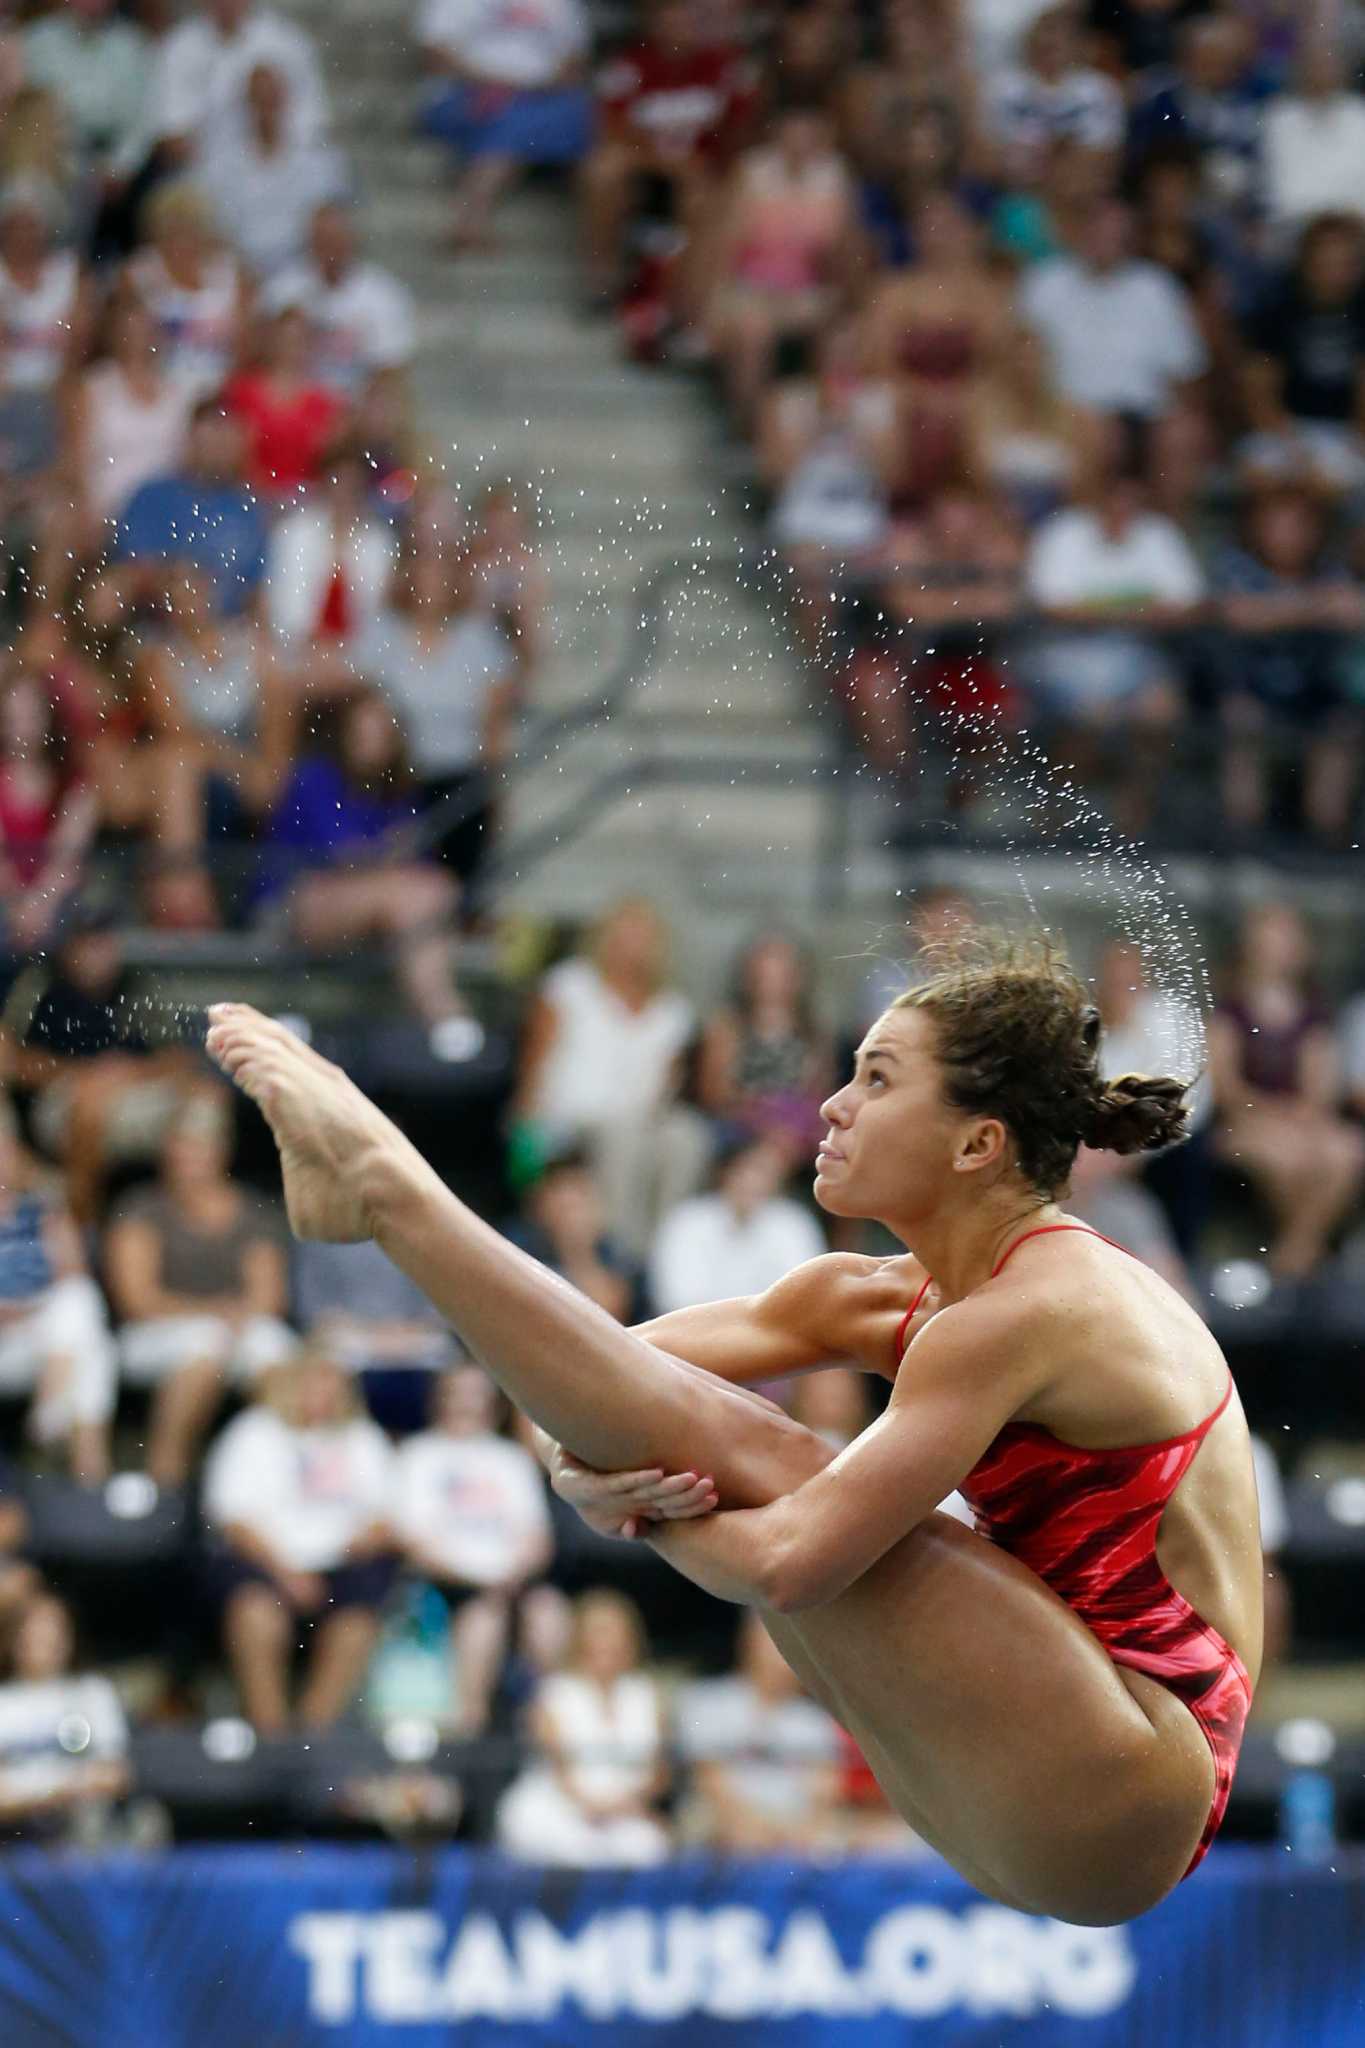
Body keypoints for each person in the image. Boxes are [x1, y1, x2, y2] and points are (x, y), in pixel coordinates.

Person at [207, 924, 1263, 1925]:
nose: (831, 1104)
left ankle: (390, 1191)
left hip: (1131, 1785)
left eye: (879, 1078)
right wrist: (578, 1468)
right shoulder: (872, 1295)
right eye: (850, 1070)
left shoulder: (1034, 1305)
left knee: (783, 1460)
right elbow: (595, 1371)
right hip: (1016, 1791)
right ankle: (380, 1198)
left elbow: (792, 1559)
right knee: (708, 1429)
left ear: (979, 1142)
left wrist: (643, 1509)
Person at [256, 689, 483, 1056]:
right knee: (418, 893)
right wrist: (391, 855)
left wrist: (392, 861)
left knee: (428, 892)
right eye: (362, 732)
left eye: (382, 734)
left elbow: (419, 867)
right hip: (291, 908)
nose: (372, 743)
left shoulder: (398, 793)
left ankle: (440, 1012)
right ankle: (443, 1013)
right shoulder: (313, 778)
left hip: (382, 917)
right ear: (342, 733)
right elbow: (339, 856)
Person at [105, 1091, 296, 1486]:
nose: (190, 1156)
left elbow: (270, 1297)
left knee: (276, 1350)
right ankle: (167, 1477)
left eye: (201, 1146)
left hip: (235, 1325)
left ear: (221, 1152)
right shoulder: (139, 1208)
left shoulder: (253, 1212)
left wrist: (234, 1317)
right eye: (182, 1144)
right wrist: (213, 1313)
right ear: (165, 1151)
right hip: (152, 1334)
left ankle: (272, 1481)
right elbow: (136, 1300)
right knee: (204, 1344)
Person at [202, 1349, 396, 1734]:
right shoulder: (254, 1432)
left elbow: (387, 1517)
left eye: (334, 1384)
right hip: (266, 1563)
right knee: (257, 1615)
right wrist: (287, 1573)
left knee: (357, 1622)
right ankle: (270, 1731)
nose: (324, 1393)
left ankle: (314, 1733)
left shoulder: (363, 1438)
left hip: (341, 1564)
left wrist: (357, 1543)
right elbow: (233, 1520)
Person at [511, 899, 709, 1258]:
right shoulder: (567, 987)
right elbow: (533, 1067)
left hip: (641, 1117)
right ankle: (621, 1253)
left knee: (686, 1137)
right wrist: (525, 1131)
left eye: (641, 937)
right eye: (622, 935)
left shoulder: (673, 1011)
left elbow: (667, 1087)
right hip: (570, 1118)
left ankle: (665, 1252)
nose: (631, 946)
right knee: (623, 1137)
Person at [391, 1364, 554, 1735]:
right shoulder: (419, 1455)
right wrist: (481, 1580)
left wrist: (509, 1577)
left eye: (477, 1395)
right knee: (485, 1618)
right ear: (440, 1400)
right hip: (443, 1584)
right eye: (458, 1394)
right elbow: (413, 1543)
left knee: (549, 1614)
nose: (468, 1404)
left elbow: (537, 1540)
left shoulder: (512, 1459)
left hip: (510, 1581)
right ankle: (471, 1724)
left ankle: (543, 1722)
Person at [1208, 903, 1364, 1281]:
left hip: (1301, 1121)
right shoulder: (1229, 1011)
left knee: (1347, 1152)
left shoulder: (1312, 1012)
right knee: (1287, 1160)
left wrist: (1301, 1116)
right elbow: (1226, 1087)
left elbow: (1319, 1087)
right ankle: (1310, 1258)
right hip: (1246, 1122)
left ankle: (1294, 1251)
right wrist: (1270, 1112)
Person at [368, 535, 518, 887]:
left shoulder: (479, 639)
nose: (430, 582)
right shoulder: (382, 634)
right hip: (397, 778)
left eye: (440, 572)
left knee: (465, 827)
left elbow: (494, 727)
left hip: (458, 778)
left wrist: (497, 792)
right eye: (422, 571)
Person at [495, 1588, 670, 1866]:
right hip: (559, 1808)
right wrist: (594, 1807)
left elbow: (659, 1772)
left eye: (615, 1632)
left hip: (624, 1813)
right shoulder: (552, 1694)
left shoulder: (646, 1695)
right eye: (600, 1632)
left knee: (647, 1846)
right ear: (581, 1637)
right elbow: (559, 1771)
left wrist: (626, 1805)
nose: (608, 1643)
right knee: (573, 1847)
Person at [0, 1095, 116, 1482]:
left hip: (40, 1335)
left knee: (79, 1303)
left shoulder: (43, 1209)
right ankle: (88, 1478)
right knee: (90, 1350)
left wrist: (29, 1311)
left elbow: (73, 1272)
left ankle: (53, 1423)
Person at [417, 0, 592, 253]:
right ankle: (474, 212)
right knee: (516, 114)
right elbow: (435, 53)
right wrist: (494, 82)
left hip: (538, 96)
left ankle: (471, 211)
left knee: (525, 113)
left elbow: (575, 61)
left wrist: (520, 88)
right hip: (467, 91)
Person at [677, 1610, 843, 1852]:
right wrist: (753, 1827)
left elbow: (826, 1788)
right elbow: (709, 1781)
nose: (788, 1655)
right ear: (748, 1642)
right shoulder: (706, 1703)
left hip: (795, 1831)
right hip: (726, 1825)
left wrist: (792, 1830)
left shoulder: (814, 1720)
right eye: (779, 1642)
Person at [113, 398, 268, 622]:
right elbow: (133, 571)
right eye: (212, 436)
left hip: (228, 634)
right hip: (157, 630)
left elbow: (255, 591)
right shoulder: (152, 496)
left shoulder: (248, 510)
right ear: (191, 438)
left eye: (226, 438)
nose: (219, 447)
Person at [648, 1136, 828, 1318]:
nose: (753, 1181)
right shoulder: (689, 1220)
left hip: (773, 1334)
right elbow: (677, 1297)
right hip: (695, 1331)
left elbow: (803, 1294)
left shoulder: (793, 1223)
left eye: (764, 1173)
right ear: (725, 1173)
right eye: (745, 1171)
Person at [203, 61, 350, 282]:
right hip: (238, 271)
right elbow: (218, 227)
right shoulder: (221, 163)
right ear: (247, 105)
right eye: (259, 100)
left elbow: (328, 223)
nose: (266, 108)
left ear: (285, 100)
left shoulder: (317, 158)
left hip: (301, 271)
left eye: (272, 99)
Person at [0, 1593, 130, 1843]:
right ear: (15, 1639)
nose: (46, 1640)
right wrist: (58, 1791)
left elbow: (114, 1775)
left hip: (84, 1838)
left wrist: (34, 1792)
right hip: (13, 1839)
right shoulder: (3, 1701)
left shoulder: (93, 1692)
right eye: (35, 1632)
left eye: (54, 1631)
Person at [696, 929, 835, 1157]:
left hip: (796, 1129)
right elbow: (714, 1095)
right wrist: (761, 1116)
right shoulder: (728, 1026)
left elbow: (822, 1093)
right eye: (766, 966)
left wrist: (793, 1122)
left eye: (782, 967)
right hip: (739, 1125)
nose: (772, 976)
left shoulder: (814, 1031)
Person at [266, 202, 415, 401]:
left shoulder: (383, 295)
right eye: (322, 241)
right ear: (310, 243)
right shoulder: (283, 289)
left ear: (352, 241)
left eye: (336, 241)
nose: (330, 250)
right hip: (297, 403)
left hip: (356, 405)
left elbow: (390, 368)